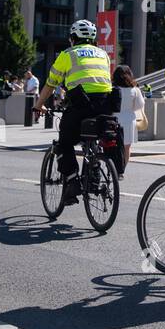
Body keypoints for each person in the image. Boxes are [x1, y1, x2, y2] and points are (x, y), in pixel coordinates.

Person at [31, 19, 116, 207]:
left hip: (81, 105)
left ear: (73, 38)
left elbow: (51, 84)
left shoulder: (68, 54)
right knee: (93, 137)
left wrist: (38, 105)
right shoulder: (103, 54)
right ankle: (94, 169)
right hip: (105, 105)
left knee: (65, 141)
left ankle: (71, 180)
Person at [113, 65, 145, 175]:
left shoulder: (112, 88)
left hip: (113, 119)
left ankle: (111, 169)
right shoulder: (135, 90)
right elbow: (139, 105)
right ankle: (121, 170)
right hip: (128, 120)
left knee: (113, 146)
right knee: (127, 147)